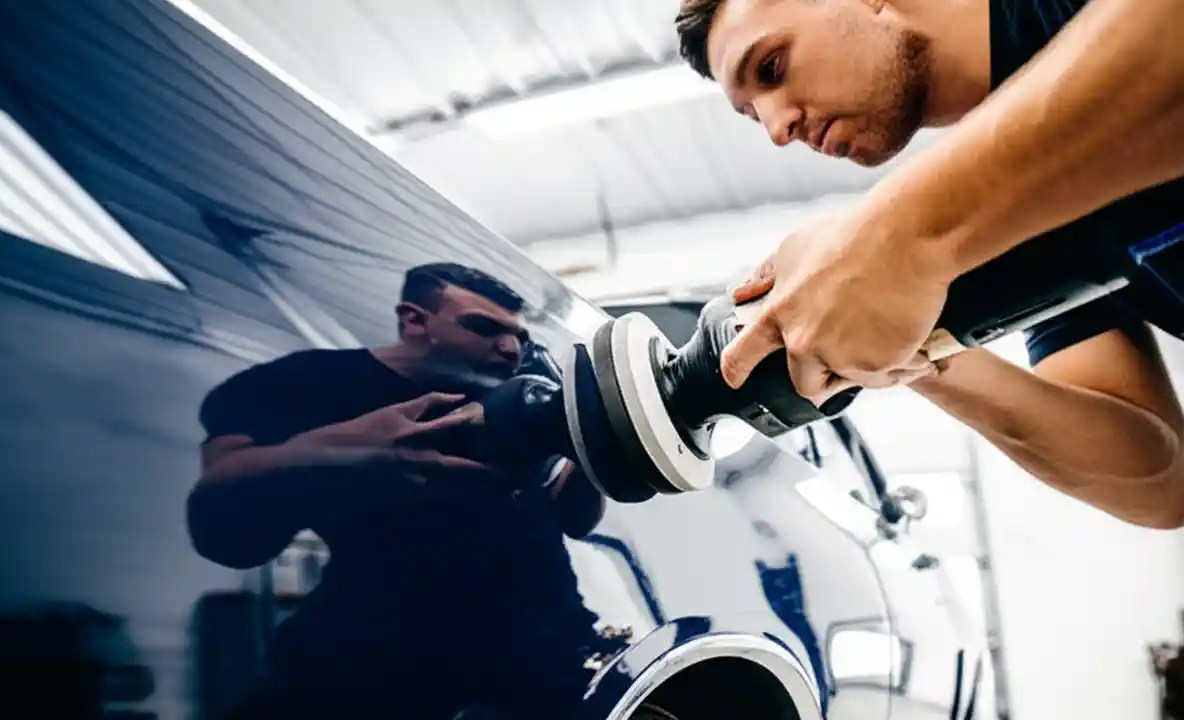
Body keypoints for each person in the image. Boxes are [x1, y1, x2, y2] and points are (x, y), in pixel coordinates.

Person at [674, 0, 1184, 528]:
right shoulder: (1002, 222)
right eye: (755, 115)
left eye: (771, 68)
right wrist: (903, 352)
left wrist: (904, 233)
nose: (778, 129)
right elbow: (1159, 481)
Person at [187, 262, 609, 719]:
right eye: (484, 327)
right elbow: (218, 519)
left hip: (547, 655)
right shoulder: (310, 382)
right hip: (380, 662)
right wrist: (335, 448)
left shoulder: (516, 397)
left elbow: (566, 516)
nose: (509, 348)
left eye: (518, 336)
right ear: (415, 320)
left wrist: (594, 454)